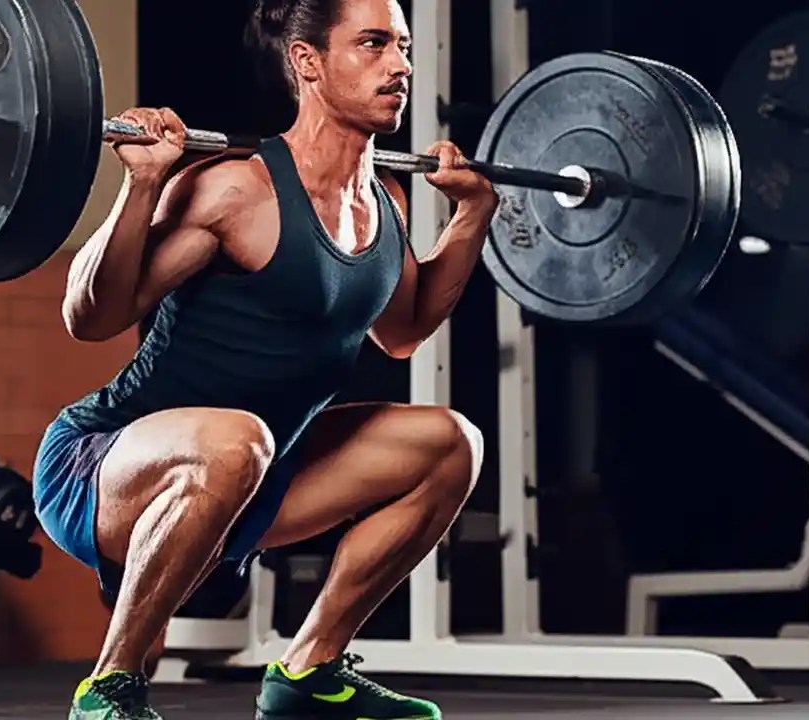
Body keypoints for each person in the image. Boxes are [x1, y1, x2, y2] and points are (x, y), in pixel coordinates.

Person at [32, 0, 499, 717]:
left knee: (449, 443)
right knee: (237, 438)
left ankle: (308, 672)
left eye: (403, 46)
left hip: (257, 473)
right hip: (103, 469)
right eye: (373, 44)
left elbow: (401, 332)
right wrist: (143, 183)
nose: (401, 66)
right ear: (307, 61)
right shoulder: (235, 188)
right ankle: (110, 689)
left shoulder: (386, 202)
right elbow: (89, 319)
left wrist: (471, 218)